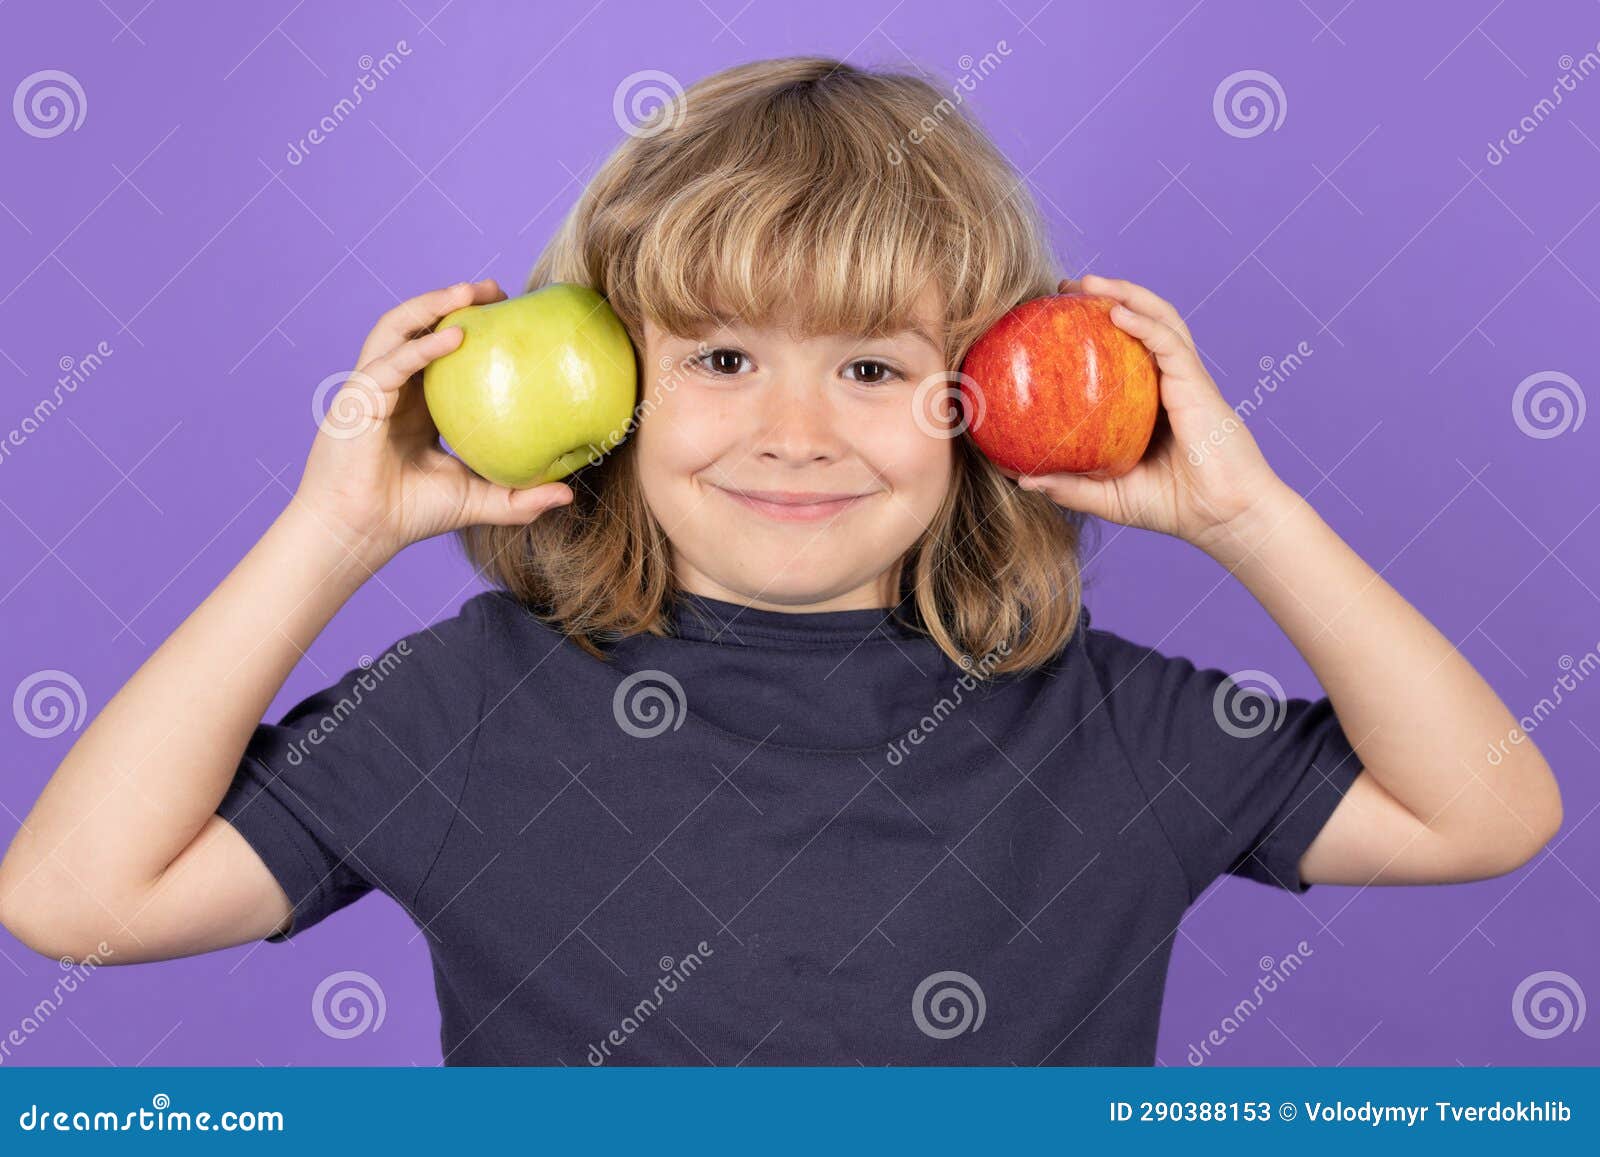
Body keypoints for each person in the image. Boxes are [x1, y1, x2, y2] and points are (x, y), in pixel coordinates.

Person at [0, 57, 1561, 1066]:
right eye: (726, 358)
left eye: (873, 369)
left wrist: (1247, 517)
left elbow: (1485, 810)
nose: (796, 432)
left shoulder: (1110, 722)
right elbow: (79, 901)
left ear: (974, 405)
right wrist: (329, 536)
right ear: (613, 385)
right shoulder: (465, 707)